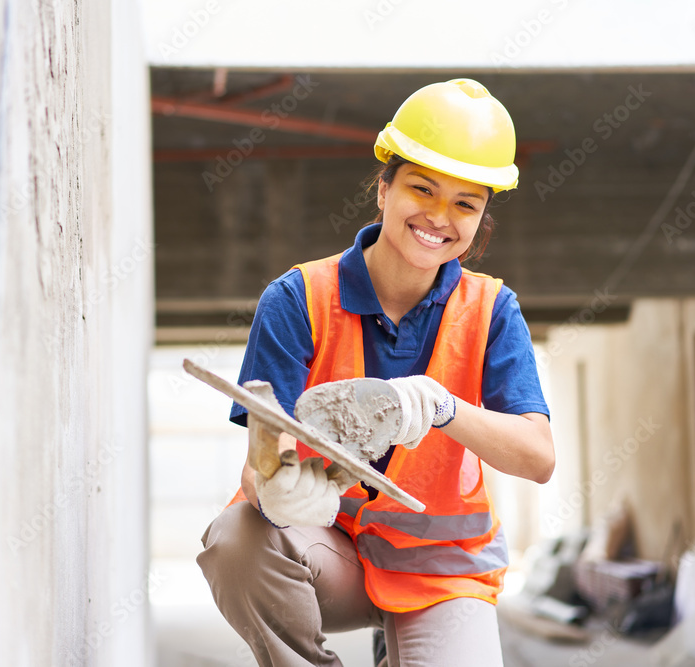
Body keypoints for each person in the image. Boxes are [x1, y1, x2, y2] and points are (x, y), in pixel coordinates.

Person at [197, 78, 555, 667]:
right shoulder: (299, 299)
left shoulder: (492, 310)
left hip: (442, 569)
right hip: (331, 551)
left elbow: (537, 458)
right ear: (383, 189)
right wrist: (279, 493)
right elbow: (261, 463)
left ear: (483, 216)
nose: (440, 217)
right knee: (236, 540)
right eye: (423, 189)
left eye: (465, 203)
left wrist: (442, 407)